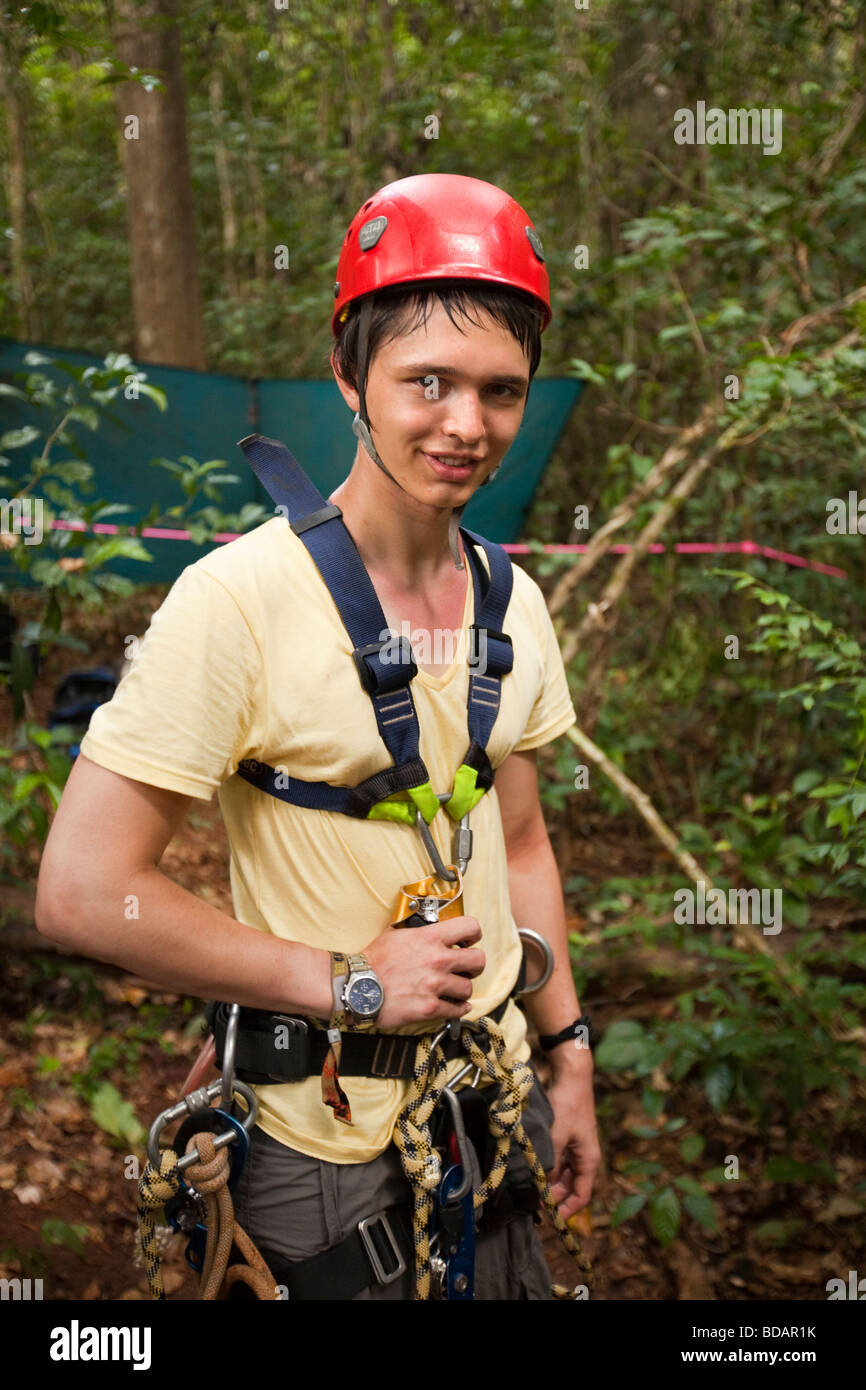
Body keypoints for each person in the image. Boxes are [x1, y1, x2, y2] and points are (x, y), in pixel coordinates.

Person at [35, 172, 601, 1300]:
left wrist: (568, 1053)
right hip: (323, 1140)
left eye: (499, 390)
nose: (465, 424)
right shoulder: (238, 599)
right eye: (426, 382)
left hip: (490, 1107)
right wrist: (340, 981)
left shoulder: (514, 604)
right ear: (348, 370)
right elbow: (84, 890)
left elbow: (521, 845)